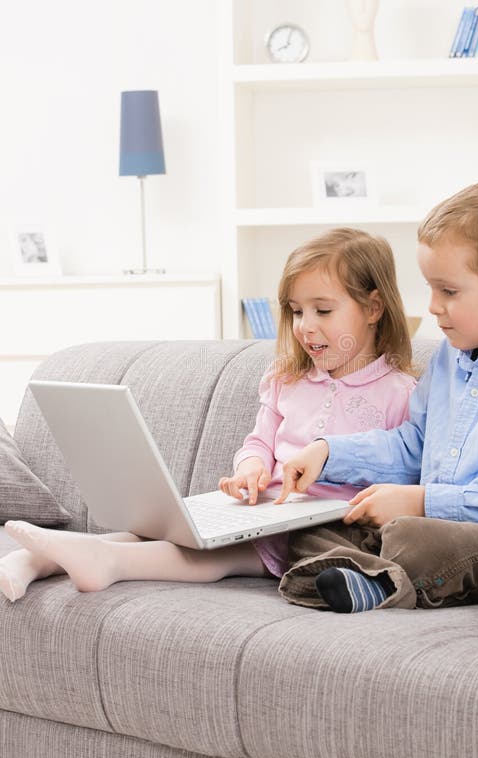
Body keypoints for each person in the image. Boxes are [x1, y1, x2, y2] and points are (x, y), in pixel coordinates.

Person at [0, 228, 416, 602]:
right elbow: (259, 442)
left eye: (322, 311)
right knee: (168, 527)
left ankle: (107, 563)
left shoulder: (399, 392)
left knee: (215, 554)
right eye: (295, 311)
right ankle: (40, 560)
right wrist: (250, 469)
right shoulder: (285, 379)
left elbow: (402, 471)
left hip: (320, 529)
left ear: (373, 308)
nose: (304, 327)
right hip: (261, 510)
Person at [274, 177, 478, 613]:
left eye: (448, 291)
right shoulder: (451, 358)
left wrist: (424, 500)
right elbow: (414, 444)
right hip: (427, 524)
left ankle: (376, 579)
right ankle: (368, 577)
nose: (431, 305)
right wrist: (328, 453)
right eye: (430, 287)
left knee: (412, 537)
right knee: (313, 526)